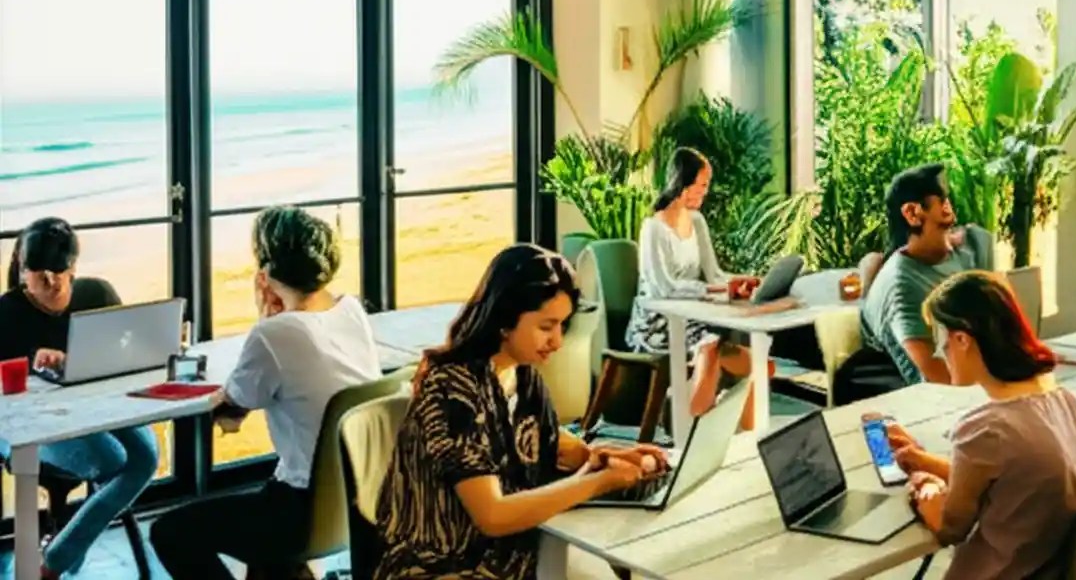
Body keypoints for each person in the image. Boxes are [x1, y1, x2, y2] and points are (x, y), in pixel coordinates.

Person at [374, 244, 666, 579]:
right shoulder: (452, 390)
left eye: (562, 326)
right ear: (504, 320)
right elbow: (492, 515)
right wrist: (597, 482)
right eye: (546, 326)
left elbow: (548, 445)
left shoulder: (523, 377)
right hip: (441, 567)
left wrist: (601, 457)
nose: (557, 341)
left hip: (509, 555)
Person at [150, 205, 382, 579]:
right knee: (267, 550)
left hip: (303, 512)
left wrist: (264, 322)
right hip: (361, 498)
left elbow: (230, 413)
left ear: (266, 272)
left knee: (171, 532)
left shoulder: (274, 335)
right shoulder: (351, 309)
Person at [887, 270, 1076, 579]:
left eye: (941, 341)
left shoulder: (986, 429)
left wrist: (923, 486)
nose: (940, 353)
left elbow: (951, 528)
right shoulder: (1065, 401)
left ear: (962, 339)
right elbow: (1010, 480)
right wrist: (922, 460)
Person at [0, 217, 159, 580]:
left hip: (102, 408)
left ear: (73, 267)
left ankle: (53, 559)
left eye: (58, 270)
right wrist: (30, 363)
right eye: (37, 272)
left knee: (146, 457)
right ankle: (59, 561)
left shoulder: (98, 295)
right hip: (33, 424)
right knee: (121, 461)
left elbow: (128, 355)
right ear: (22, 271)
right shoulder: (7, 312)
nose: (49, 281)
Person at [626, 147, 764, 420]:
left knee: (759, 364)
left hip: (691, 314)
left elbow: (714, 274)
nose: (705, 191)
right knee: (710, 345)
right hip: (657, 323)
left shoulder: (697, 221)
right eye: (702, 185)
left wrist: (737, 282)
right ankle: (690, 425)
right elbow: (663, 289)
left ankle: (736, 430)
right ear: (683, 184)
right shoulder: (654, 228)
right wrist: (717, 291)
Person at [859, 163, 994, 385]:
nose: (948, 204)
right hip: (913, 395)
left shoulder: (961, 253)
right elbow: (938, 377)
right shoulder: (902, 285)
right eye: (940, 198)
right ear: (912, 213)